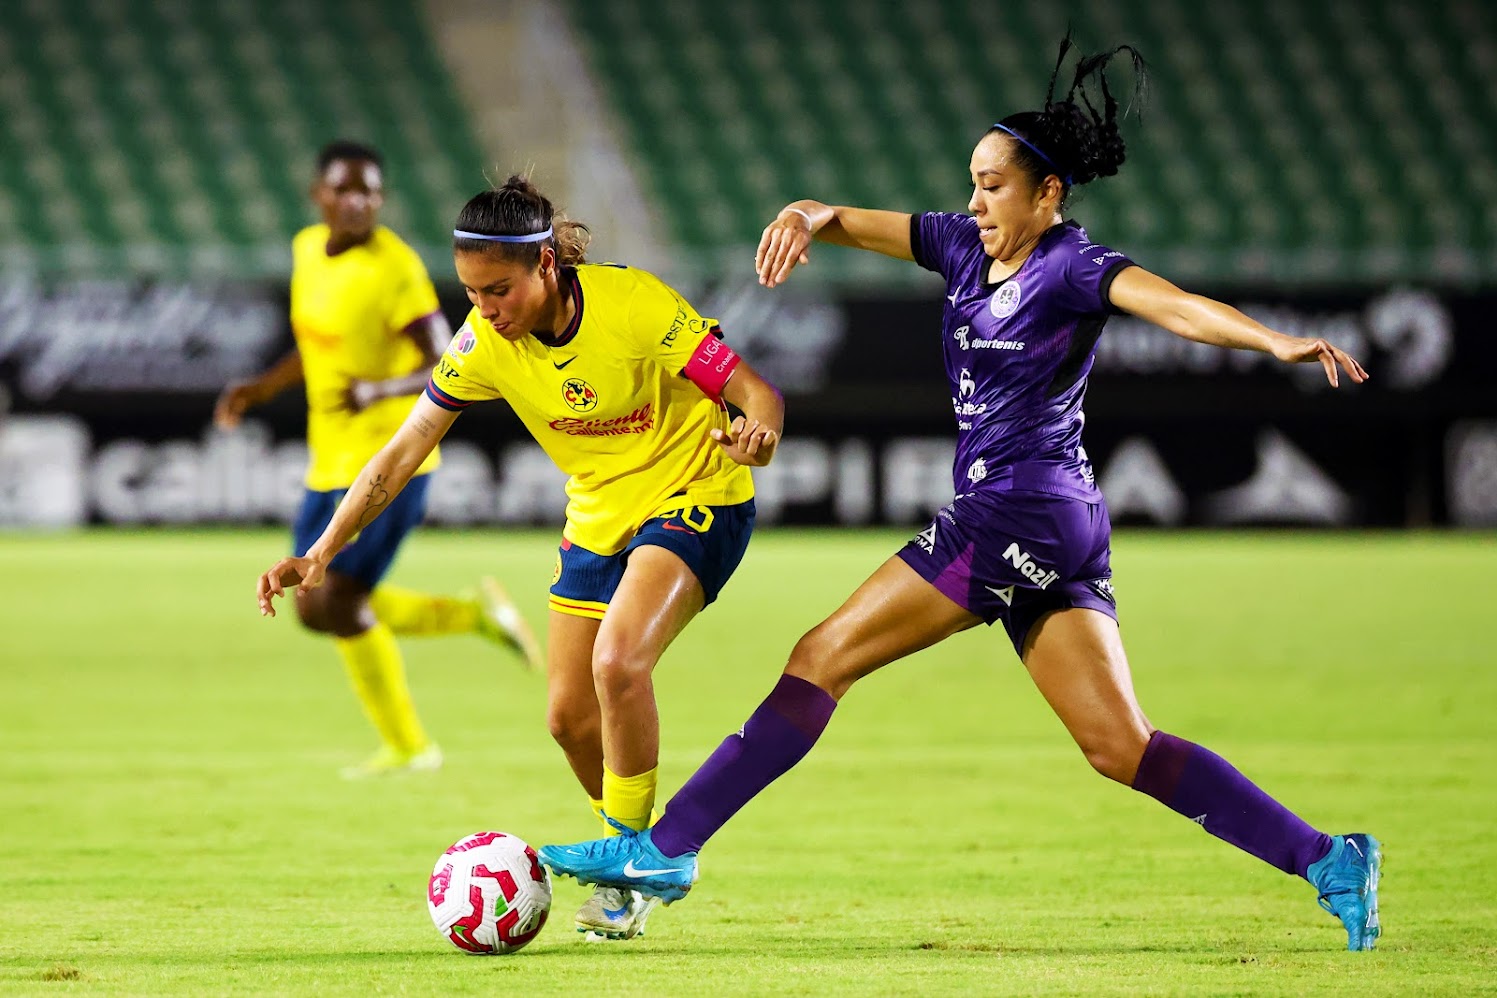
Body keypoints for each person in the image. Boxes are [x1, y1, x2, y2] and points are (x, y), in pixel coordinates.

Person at [538, 39, 1383, 952]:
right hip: (1057, 524)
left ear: (1047, 193)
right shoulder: (961, 246)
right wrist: (806, 214)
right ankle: (1331, 859)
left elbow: (1172, 305)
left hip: (1018, 512)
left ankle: (666, 850)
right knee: (1118, 745)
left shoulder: (1071, 266)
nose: (974, 202)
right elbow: (858, 223)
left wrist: (1273, 343)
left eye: (992, 186)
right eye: (972, 184)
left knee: (821, 655)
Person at [254, 176, 785, 941]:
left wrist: (756, 436)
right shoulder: (481, 345)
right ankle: (634, 863)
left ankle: (637, 861)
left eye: (498, 289)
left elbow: (752, 391)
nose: (484, 310)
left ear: (546, 266)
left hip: (695, 492)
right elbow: (400, 452)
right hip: (598, 517)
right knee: (569, 719)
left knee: (619, 664)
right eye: (471, 292)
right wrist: (320, 552)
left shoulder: (632, 305)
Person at [219, 141, 541, 780]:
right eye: (344, 189)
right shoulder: (307, 250)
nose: (357, 202)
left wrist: (375, 389)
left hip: (392, 463)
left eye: (369, 191)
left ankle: (412, 747)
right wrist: (261, 387)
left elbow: (444, 356)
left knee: (331, 602)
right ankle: (471, 614)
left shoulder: (395, 268)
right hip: (328, 461)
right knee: (314, 600)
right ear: (319, 194)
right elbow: (317, 348)